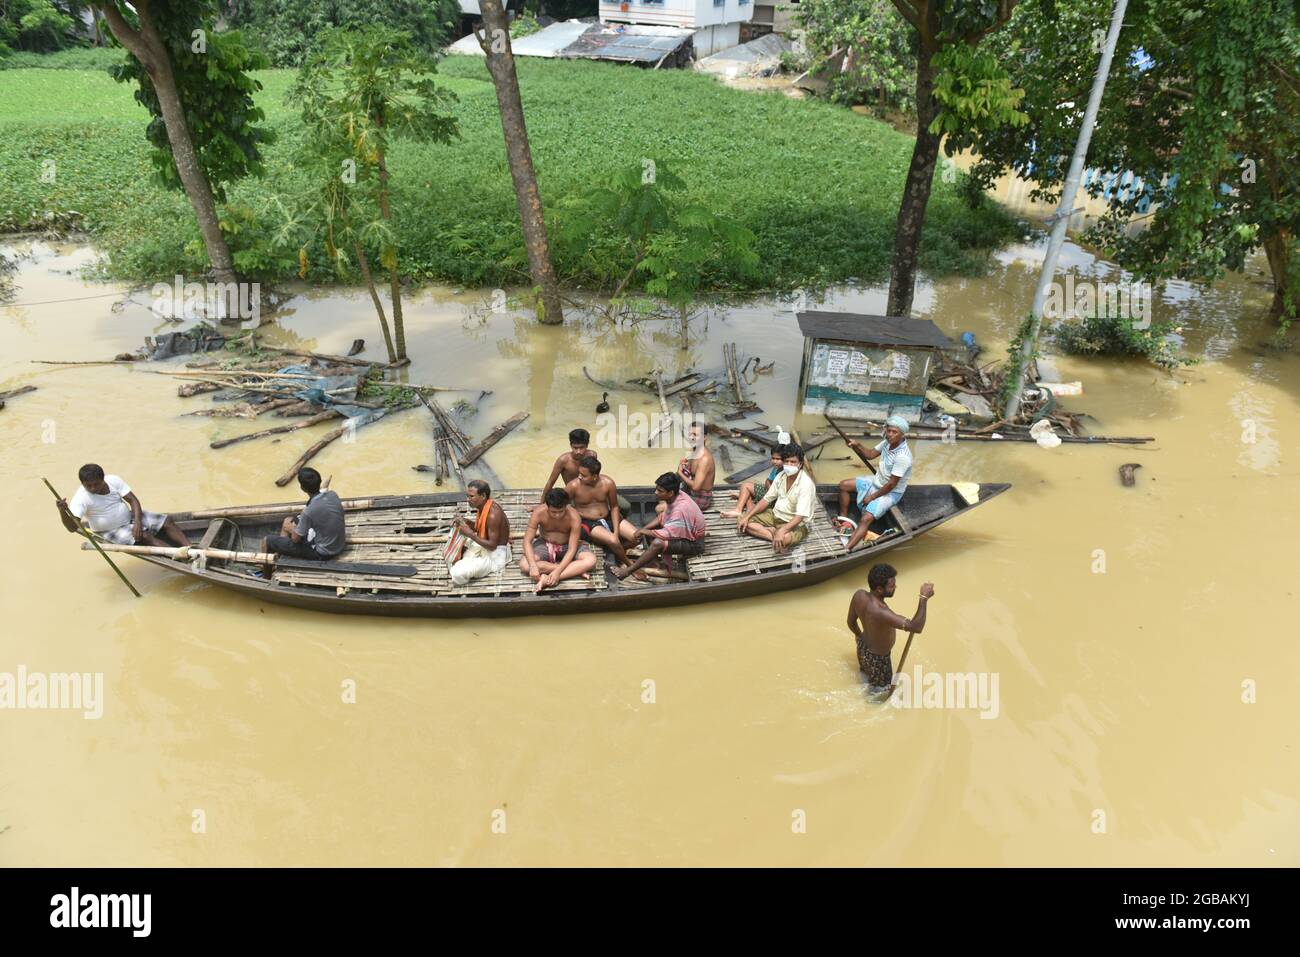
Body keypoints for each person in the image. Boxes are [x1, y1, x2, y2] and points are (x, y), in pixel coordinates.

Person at [847, 563, 933, 694]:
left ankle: (867, 686)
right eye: (891, 586)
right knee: (880, 693)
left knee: (866, 676)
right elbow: (916, 627)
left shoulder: (859, 595)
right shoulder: (882, 612)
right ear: (880, 589)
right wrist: (923, 598)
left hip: (862, 648)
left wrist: (859, 637)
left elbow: (850, 622)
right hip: (879, 660)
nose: (895, 588)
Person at [58, 463, 190, 547]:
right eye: (88, 486)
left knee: (167, 520)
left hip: (130, 519)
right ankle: (179, 556)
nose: (93, 488)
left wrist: (137, 523)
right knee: (144, 536)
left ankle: (191, 549)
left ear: (103, 480)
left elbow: (133, 500)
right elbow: (72, 528)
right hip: (110, 531)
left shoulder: (113, 480)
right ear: (83, 484)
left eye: (96, 484)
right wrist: (62, 511)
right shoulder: (81, 498)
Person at [611, 472, 706, 581]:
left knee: (657, 543)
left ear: (670, 493)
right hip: (683, 534)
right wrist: (644, 529)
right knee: (649, 528)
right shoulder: (677, 496)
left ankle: (628, 571)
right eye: (656, 489)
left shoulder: (680, 508)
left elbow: (669, 533)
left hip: (695, 544)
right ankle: (656, 563)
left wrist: (644, 531)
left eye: (660, 491)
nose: (655, 493)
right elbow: (663, 516)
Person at [838, 415, 914, 550]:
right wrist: (857, 445)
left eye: (894, 432)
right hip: (877, 481)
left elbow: (891, 484)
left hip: (891, 492)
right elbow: (870, 454)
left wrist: (872, 497)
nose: (890, 434)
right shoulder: (887, 442)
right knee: (843, 485)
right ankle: (844, 520)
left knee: (866, 518)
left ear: (902, 435)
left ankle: (846, 549)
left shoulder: (903, 457)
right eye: (889, 430)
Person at [262, 467, 346, 571]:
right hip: (339, 545)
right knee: (288, 520)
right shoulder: (333, 494)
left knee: (267, 541)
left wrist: (291, 529)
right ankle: (281, 557)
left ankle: (266, 575)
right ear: (320, 481)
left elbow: (295, 539)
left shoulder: (309, 511)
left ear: (303, 489)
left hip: (322, 553)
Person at [737, 443, 815, 553]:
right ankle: (773, 535)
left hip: (795, 523)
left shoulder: (806, 484)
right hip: (775, 515)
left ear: (800, 464)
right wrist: (747, 516)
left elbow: (800, 517)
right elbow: (766, 499)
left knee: (784, 539)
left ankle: (775, 534)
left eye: (793, 462)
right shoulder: (780, 476)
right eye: (787, 461)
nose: (789, 464)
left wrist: (783, 530)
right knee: (742, 520)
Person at [520, 488, 598, 592]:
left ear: (566, 506)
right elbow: (527, 541)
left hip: (567, 545)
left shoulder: (574, 517)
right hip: (545, 544)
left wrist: (558, 573)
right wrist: (533, 565)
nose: (557, 515)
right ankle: (575, 570)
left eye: (561, 511)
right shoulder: (538, 513)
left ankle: (548, 578)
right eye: (553, 512)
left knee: (591, 560)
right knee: (525, 565)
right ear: (547, 506)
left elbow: (572, 548)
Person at [542, 427, 630, 514]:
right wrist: (541, 503)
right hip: (575, 494)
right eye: (575, 448)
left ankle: (617, 522)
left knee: (625, 506)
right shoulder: (563, 460)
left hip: (594, 490)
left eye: (581, 447)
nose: (578, 451)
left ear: (587, 445)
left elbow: (595, 475)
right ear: (570, 445)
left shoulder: (592, 455)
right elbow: (550, 482)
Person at [564, 455, 631, 566]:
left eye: (584, 475)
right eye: (579, 473)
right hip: (587, 522)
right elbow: (561, 505)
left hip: (607, 517)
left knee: (636, 538)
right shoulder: (573, 486)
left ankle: (614, 549)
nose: (579, 477)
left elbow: (614, 507)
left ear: (595, 476)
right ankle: (630, 565)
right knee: (614, 541)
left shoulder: (608, 483)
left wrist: (616, 532)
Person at [449, 480, 511, 585]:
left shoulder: (493, 515)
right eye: (467, 496)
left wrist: (470, 534)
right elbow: (481, 528)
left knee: (457, 573)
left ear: (483, 496)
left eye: (472, 496)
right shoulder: (483, 506)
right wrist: (466, 522)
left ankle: (465, 564)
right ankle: (466, 561)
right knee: (457, 530)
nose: (468, 500)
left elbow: (492, 546)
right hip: (485, 545)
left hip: (495, 555)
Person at [720, 448, 783, 519]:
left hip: (773, 498)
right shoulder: (776, 468)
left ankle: (744, 503)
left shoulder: (784, 472)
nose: (774, 461)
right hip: (768, 491)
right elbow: (768, 480)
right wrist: (769, 488)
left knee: (746, 490)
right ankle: (741, 506)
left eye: (778, 459)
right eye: (773, 458)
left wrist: (770, 492)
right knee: (746, 485)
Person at [677, 422, 716, 510]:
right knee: (664, 496)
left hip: (701, 497)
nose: (691, 437)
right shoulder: (696, 450)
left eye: (695, 435)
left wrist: (680, 473)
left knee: (662, 507)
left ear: (705, 437)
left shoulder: (705, 459)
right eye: (690, 434)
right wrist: (685, 465)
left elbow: (696, 487)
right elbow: (692, 471)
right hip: (690, 491)